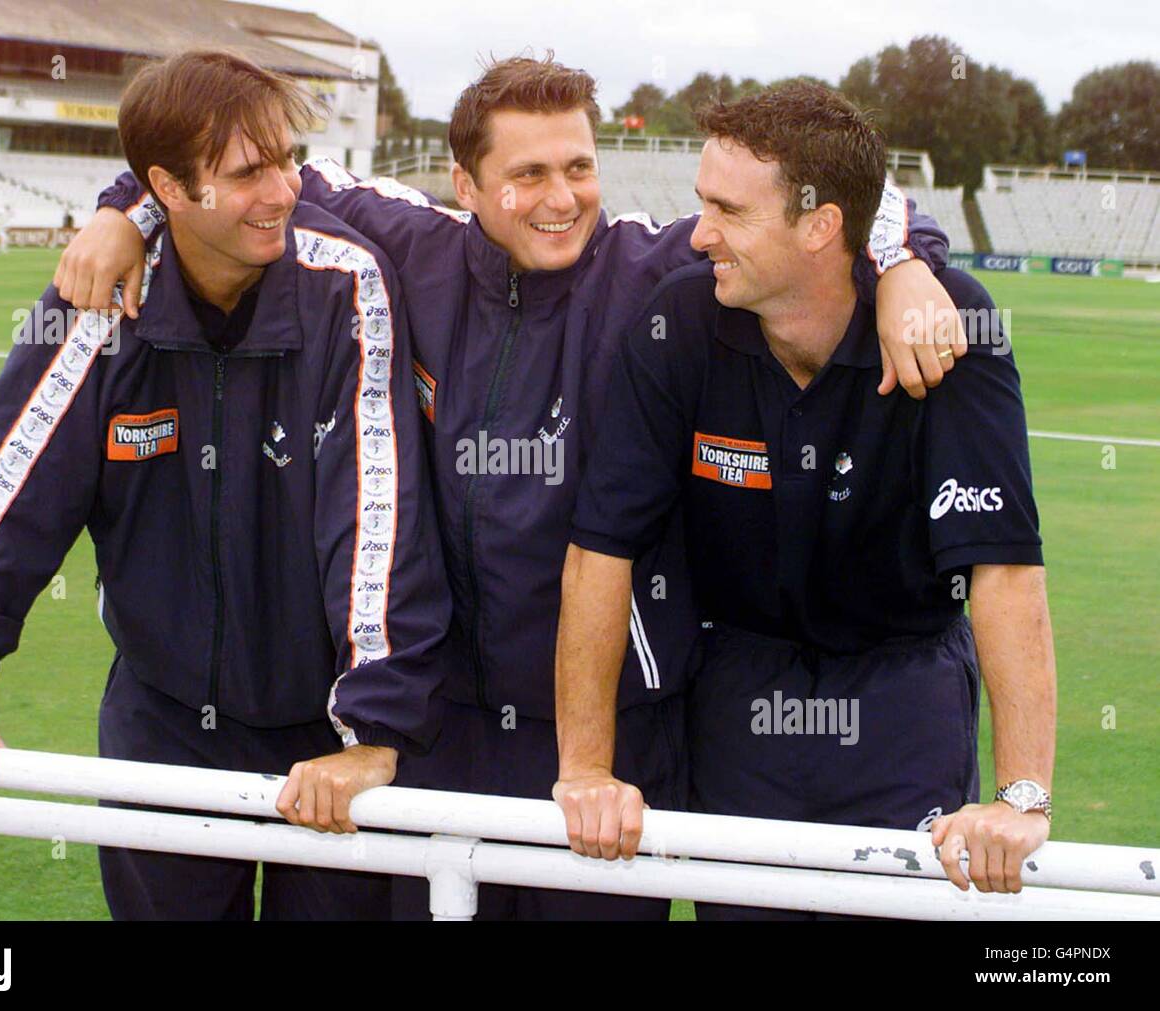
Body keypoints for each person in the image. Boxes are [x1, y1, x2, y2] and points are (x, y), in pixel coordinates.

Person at [56, 54, 964, 921]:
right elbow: (244, 154)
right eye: (527, 174)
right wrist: (123, 210)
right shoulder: (415, 249)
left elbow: (830, 196)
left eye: (579, 166)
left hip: (613, 736)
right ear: (466, 184)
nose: (560, 198)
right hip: (442, 733)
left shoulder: (656, 267)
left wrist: (908, 262)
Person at [0, 50, 451, 921]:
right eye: (248, 172)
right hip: (163, 725)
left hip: (323, 727)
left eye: (287, 159)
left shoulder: (347, 282)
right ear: (169, 188)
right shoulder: (104, 291)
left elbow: (376, 515)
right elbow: (9, 477)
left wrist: (372, 732)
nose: (281, 191)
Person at [556, 84, 1055, 916]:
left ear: (822, 226)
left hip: (904, 692)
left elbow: (1002, 570)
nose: (700, 232)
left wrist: (1023, 795)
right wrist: (586, 769)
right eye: (700, 204)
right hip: (739, 689)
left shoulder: (949, 323)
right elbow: (600, 550)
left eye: (728, 211)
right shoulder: (678, 321)